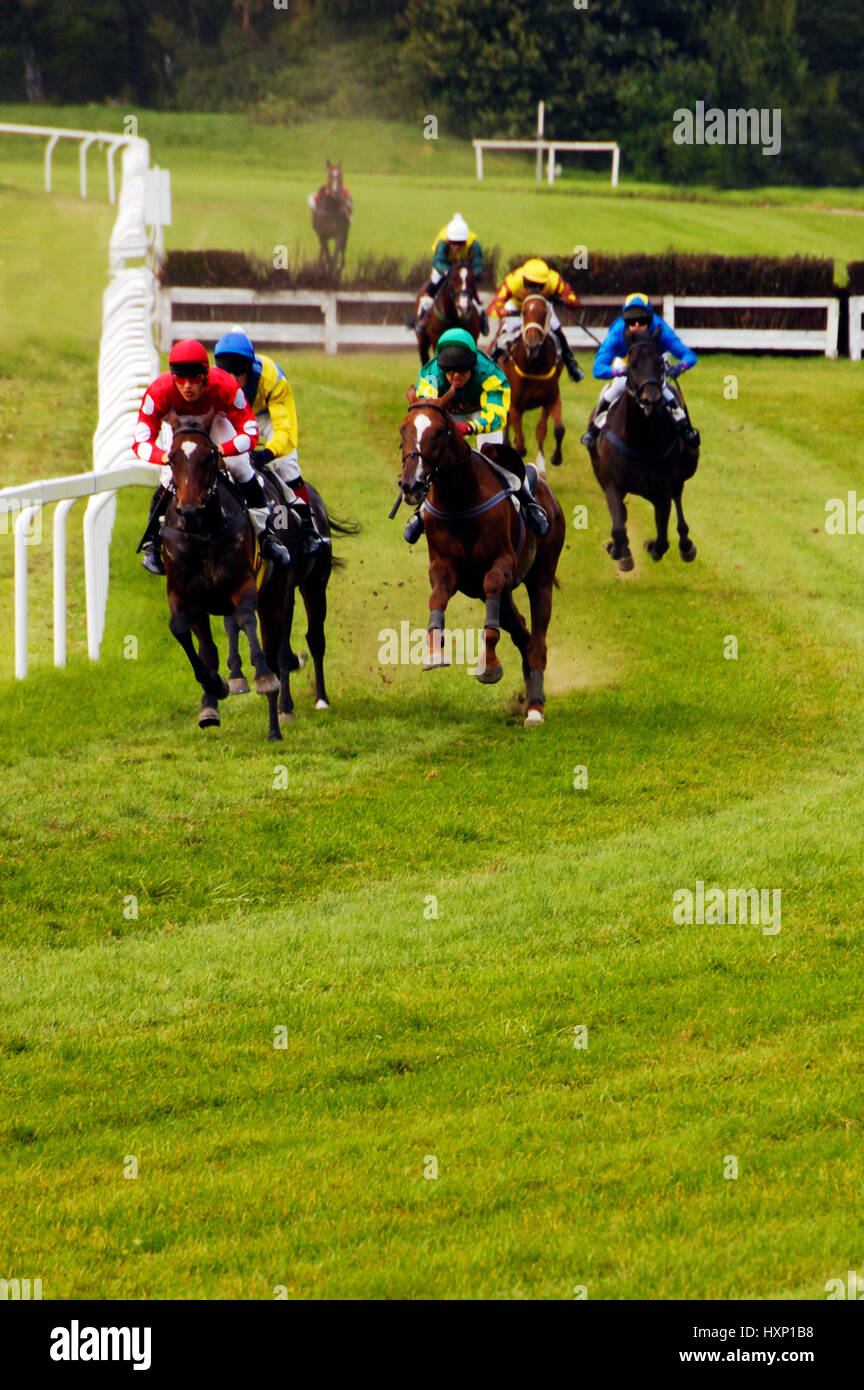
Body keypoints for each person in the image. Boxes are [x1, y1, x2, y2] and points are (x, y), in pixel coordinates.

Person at [134, 339, 290, 575]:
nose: (187, 386)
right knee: (169, 477)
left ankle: (265, 535)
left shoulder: (225, 386)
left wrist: (224, 450)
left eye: (194, 379)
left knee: (240, 466)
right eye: (180, 379)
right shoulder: (158, 391)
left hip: (215, 418)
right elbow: (140, 439)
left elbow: (249, 430)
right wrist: (163, 456)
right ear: (172, 376)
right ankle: (152, 544)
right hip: (175, 422)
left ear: (205, 376)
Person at [404, 326, 548, 544]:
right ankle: (422, 511)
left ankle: (527, 501)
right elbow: (428, 413)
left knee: (493, 456)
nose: (456, 376)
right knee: (434, 460)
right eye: (450, 371)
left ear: (473, 364)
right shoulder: (432, 373)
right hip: (446, 413)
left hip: (482, 413)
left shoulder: (490, 373)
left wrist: (469, 428)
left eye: (462, 370)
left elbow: (496, 416)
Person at [214, 329, 323, 555]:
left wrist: (268, 453)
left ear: (248, 369)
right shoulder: (213, 381)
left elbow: (284, 430)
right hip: (234, 416)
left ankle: (307, 524)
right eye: (226, 373)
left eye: (238, 374)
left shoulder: (273, 379)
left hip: (266, 416)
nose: (232, 381)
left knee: (286, 467)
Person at [580, 293, 700, 450]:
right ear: (625, 320)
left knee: (664, 390)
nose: (636, 324)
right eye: (631, 321)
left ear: (650, 319)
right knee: (618, 387)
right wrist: (619, 372)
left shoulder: (661, 330)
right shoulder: (617, 333)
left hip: (652, 364)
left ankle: (686, 429)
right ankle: (593, 430)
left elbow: (689, 355)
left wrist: (681, 366)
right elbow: (598, 369)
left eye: (642, 320)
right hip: (626, 363)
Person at [488, 257, 583, 382]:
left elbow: (574, 301)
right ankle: (489, 364)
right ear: (523, 279)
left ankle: (571, 365)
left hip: (542, 306)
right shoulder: (513, 280)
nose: (534, 289)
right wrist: (503, 311)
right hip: (517, 307)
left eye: (539, 286)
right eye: (530, 285)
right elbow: (492, 307)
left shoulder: (554, 280)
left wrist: (560, 300)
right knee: (502, 335)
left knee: (558, 331)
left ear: (546, 281)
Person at [414, 213, 487, 334]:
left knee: (470, 289)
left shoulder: (474, 244)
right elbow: (437, 261)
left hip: (464, 267)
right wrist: (446, 271)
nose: (457, 247)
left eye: (460, 244)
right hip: (445, 268)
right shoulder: (442, 242)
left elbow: (478, 264)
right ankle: (423, 316)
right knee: (433, 284)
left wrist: (475, 273)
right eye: (453, 243)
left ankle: (482, 317)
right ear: (449, 240)